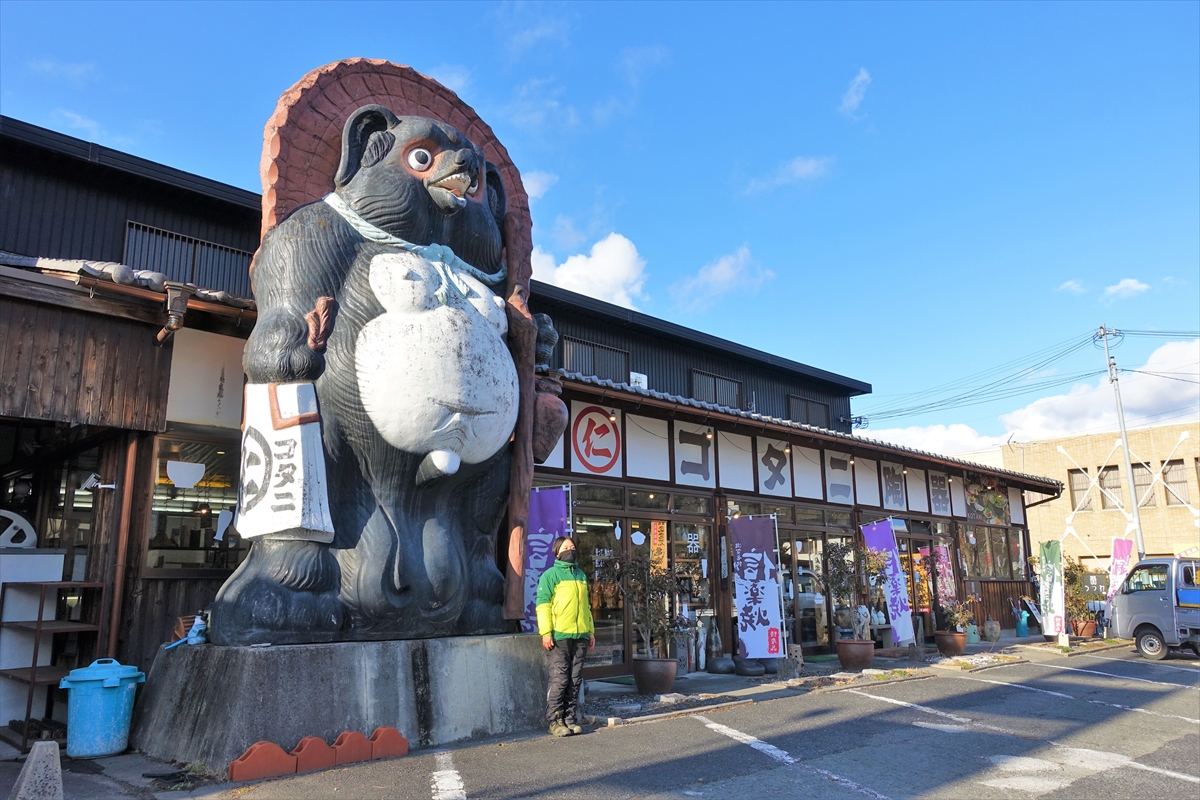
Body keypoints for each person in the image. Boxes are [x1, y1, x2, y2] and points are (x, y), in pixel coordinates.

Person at [535, 536, 595, 737]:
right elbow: (543, 605)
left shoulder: (581, 575)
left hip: (580, 635)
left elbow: (586, 607)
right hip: (559, 636)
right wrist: (546, 632)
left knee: (575, 679)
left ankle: (570, 718)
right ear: (557, 552)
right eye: (566, 547)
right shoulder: (550, 575)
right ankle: (555, 720)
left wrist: (590, 631)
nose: (571, 549)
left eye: (573, 546)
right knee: (560, 679)